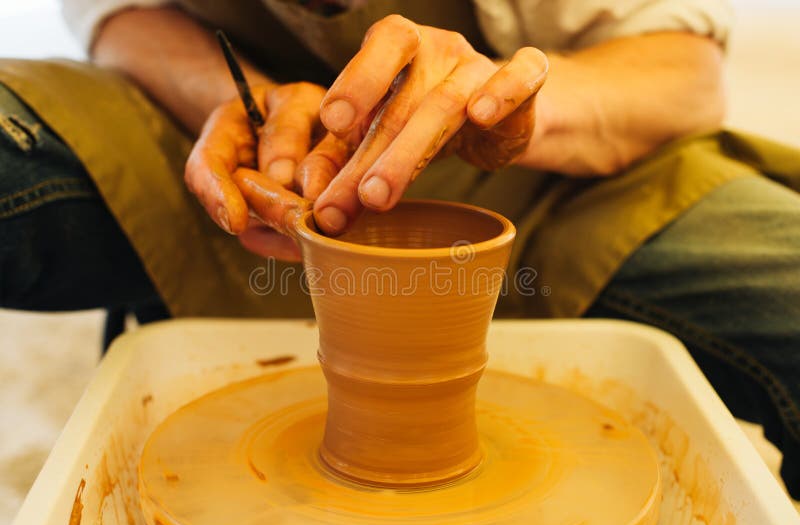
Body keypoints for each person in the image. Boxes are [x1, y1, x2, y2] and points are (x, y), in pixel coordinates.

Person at [1, 0, 800, 496]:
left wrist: (513, 106)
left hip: (553, 181)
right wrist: (248, 104)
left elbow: (685, 71)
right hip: (228, 153)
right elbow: (121, 12)